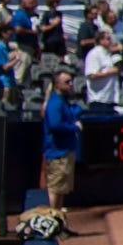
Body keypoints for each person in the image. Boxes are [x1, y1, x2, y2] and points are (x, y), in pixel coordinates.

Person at [42, 69, 84, 212]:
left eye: (71, 81)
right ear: (57, 84)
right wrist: (74, 127)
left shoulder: (63, 101)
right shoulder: (55, 103)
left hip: (65, 151)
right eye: (67, 82)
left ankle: (59, 223)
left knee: (61, 189)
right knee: (55, 189)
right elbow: (55, 125)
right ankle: (53, 222)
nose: (71, 84)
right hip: (57, 152)